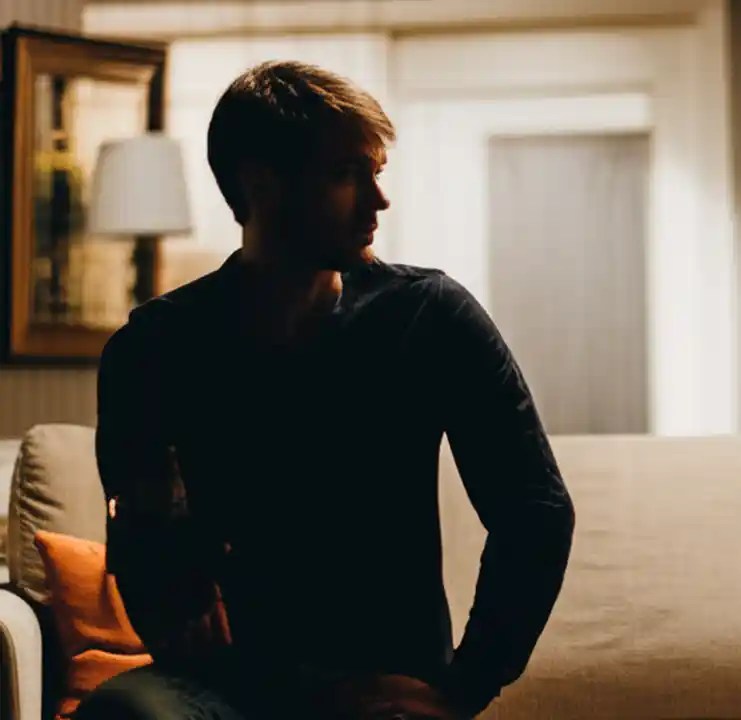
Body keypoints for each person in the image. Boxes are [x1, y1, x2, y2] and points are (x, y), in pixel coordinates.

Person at [81, 60, 575, 720]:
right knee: (126, 714)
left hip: (393, 686)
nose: (378, 199)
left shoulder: (430, 316)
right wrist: (175, 587)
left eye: (377, 171)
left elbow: (535, 510)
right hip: (225, 690)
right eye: (347, 174)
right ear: (261, 184)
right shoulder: (152, 348)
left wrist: (466, 686)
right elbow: (143, 543)